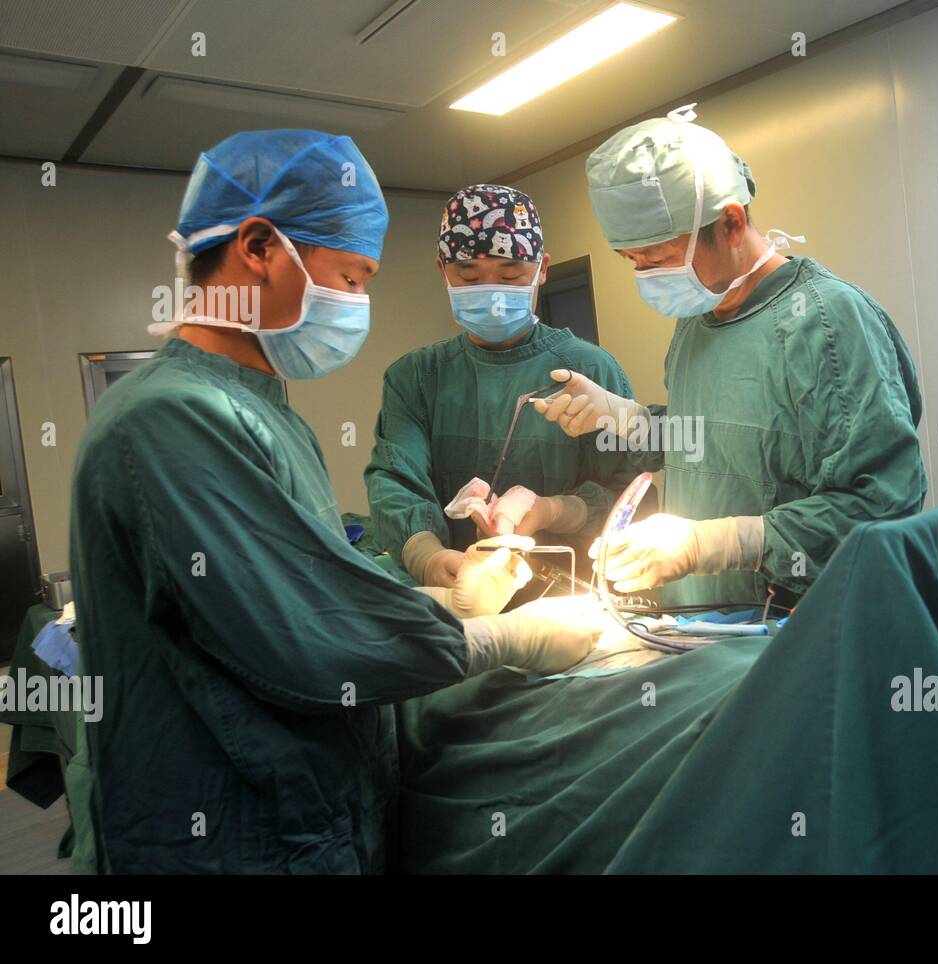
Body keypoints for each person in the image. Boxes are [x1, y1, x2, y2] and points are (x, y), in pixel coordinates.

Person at [66, 130, 601, 874]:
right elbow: (305, 636)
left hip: (303, 813)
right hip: (225, 837)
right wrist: (497, 637)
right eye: (350, 279)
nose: (357, 304)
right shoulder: (168, 419)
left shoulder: (262, 412)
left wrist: (438, 593)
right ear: (258, 246)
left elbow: (310, 580)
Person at [534, 106, 927, 609]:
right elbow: (715, 448)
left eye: (658, 260)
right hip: (702, 620)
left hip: (802, 626)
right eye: (632, 262)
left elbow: (882, 507)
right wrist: (627, 418)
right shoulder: (696, 320)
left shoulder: (827, 322)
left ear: (732, 224)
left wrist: (720, 544)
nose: (646, 277)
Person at [365, 184, 638, 590]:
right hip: (453, 594)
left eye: (511, 276)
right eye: (470, 276)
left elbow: (629, 494)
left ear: (542, 269)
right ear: (443, 270)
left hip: (572, 598)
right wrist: (428, 556)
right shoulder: (416, 377)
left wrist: (553, 510)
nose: (492, 293)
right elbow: (396, 484)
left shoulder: (590, 369)